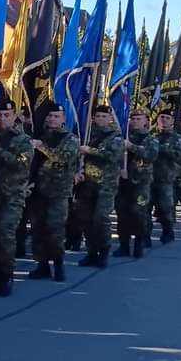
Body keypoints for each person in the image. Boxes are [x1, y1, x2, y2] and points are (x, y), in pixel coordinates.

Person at [0, 98, 33, 294]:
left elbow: (21, 163)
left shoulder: (23, 139)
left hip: (12, 197)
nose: (3, 119)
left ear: (15, 116)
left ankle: (7, 276)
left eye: (7, 115)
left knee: (5, 235)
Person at [68, 104, 125, 269]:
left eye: (104, 116)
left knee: (101, 219)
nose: (100, 119)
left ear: (110, 118)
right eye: (98, 116)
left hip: (105, 185)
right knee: (85, 219)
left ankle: (104, 251)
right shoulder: (87, 134)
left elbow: (113, 156)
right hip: (87, 184)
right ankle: (91, 252)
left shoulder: (116, 137)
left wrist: (90, 151)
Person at [27, 105, 79, 282]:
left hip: (58, 192)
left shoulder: (70, 139)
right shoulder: (41, 136)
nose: (52, 119)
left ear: (64, 119)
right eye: (50, 116)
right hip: (39, 191)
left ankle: (58, 265)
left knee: (55, 230)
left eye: (57, 116)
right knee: (38, 229)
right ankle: (42, 265)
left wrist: (41, 147)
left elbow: (62, 158)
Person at [116, 108, 159, 258]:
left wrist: (131, 147)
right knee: (122, 214)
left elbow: (151, 155)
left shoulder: (150, 139)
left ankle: (139, 243)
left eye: (138, 119)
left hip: (141, 183)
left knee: (139, 213)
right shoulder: (124, 136)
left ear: (146, 121)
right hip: (123, 180)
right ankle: (123, 245)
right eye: (133, 119)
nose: (135, 122)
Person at [150, 107, 181, 244]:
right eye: (161, 117)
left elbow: (177, 154)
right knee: (145, 208)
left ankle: (168, 231)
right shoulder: (151, 136)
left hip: (166, 178)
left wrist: (158, 147)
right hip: (148, 178)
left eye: (167, 118)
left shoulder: (177, 138)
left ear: (172, 121)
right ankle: (145, 236)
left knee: (165, 208)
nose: (164, 120)